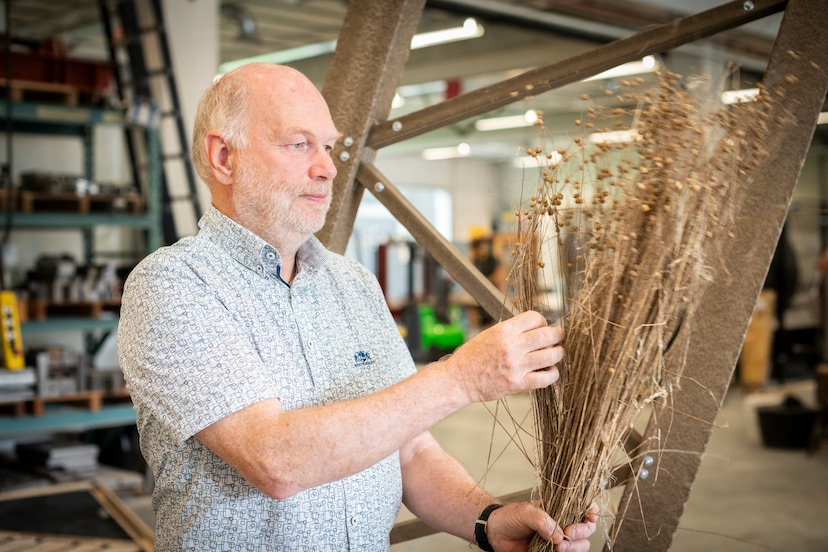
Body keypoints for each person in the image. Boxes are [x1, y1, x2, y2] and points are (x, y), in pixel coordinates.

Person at [117, 62, 598, 551]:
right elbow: (274, 460)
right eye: (298, 143)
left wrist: (488, 521)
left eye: (327, 146)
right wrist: (462, 377)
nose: (327, 167)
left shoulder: (354, 285)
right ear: (224, 156)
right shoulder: (174, 286)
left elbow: (407, 449)